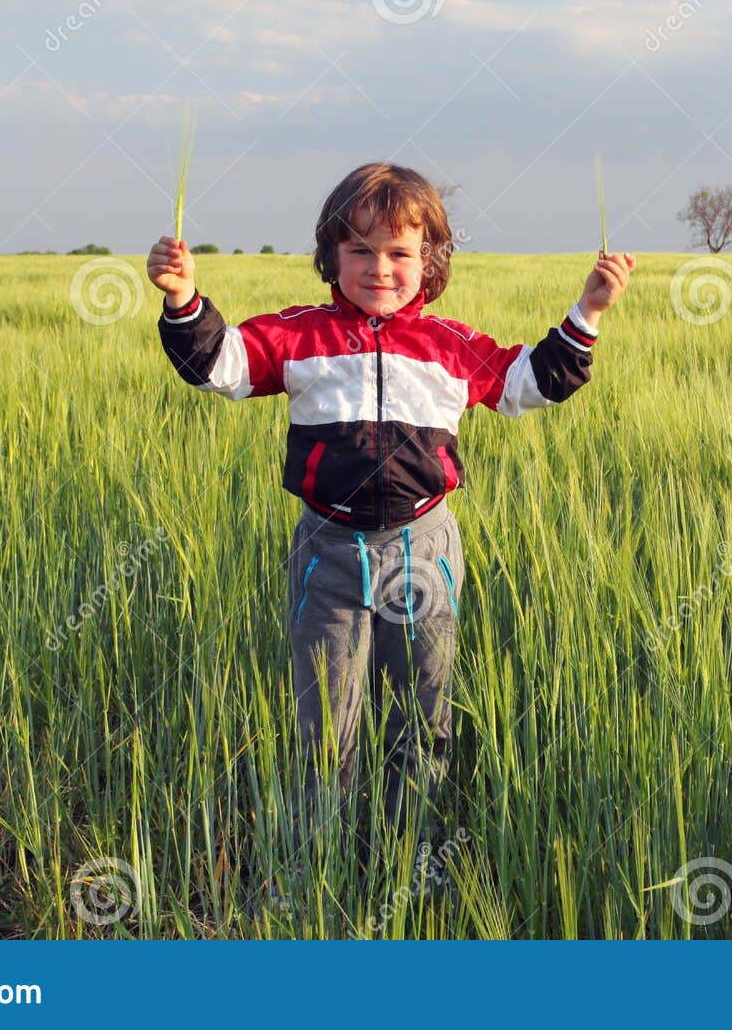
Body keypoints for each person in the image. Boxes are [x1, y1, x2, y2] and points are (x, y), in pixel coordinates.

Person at [146, 162, 632, 895]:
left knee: (422, 711)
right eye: (360, 250)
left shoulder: (451, 345)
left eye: (400, 252)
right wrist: (183, 298)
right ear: (331, 256)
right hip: (329, 553)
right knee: (326, 720)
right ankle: (315, 867)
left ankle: (413, 858)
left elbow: (532, 383)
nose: (380, 269)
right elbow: (221, 365)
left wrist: (589, 309)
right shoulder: (299, 336)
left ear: (430, 261)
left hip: (423, 550)